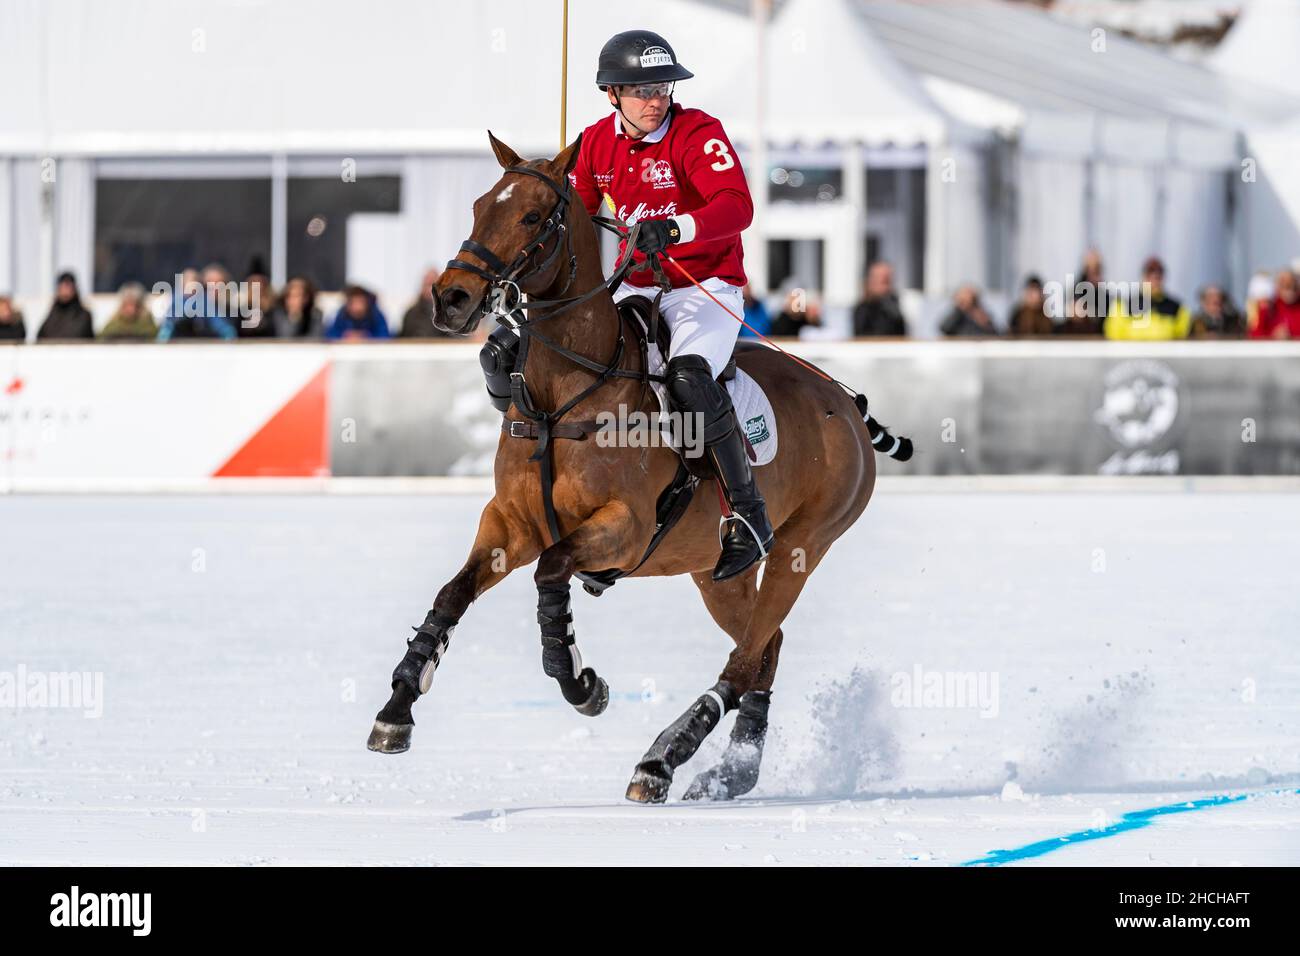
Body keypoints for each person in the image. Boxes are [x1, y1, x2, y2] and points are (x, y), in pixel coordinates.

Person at [569, 29, 769, 581]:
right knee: (592, 370)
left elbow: (736, 206)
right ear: (612, 94)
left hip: (704, 286)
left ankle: (749, 516)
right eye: (640, 89)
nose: (655, 98)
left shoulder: (697, 132)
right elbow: (575, 219)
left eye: (661, 86)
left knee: (685, 379)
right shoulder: (593, 144)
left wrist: (676, 227)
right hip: (634, 286)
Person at [1104, 256, 1190, 340]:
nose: (1155, 279)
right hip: (1132, 353)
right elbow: (1113, 335)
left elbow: (1182, 336)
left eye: (1158, 275)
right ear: (1143, 276)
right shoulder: (1123, 306)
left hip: (1165, 354)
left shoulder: (1177, 309)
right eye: (1150, 274)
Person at [157, 264, 238, 341]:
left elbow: (219, 323)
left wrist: (228, 334)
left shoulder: (205, 302)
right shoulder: (176, 301)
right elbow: (168, 326)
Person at [852, 262, 906, 336]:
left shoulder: (896, 304)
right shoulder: (862, 308)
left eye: (887, 280)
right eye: (881, 280)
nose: (885, 286)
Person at [36, 271, 94, 341]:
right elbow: (41, 337)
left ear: (74, 289)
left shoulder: (83, 316)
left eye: (68, 286)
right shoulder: (53, 314)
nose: (65, 290)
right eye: (62, 286)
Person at [1061, 247, 1106, 335]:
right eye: (1090, 269)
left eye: (1097, 269)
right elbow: (1073, 314)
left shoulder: (1104, 294)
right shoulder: (1076, 290)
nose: (1094, 274)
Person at [325, 284, 391, 340]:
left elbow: (385, 336)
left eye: (360, 302)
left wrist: (366, 336)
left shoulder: (375, 315)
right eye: (353, 302)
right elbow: (330, 335)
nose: (357, 307)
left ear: (367, 303)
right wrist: (345, 335)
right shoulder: (341, 315)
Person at [400, 268, 450, 338]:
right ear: (422, 287)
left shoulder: (450, 315)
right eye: (428, 285)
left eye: (435, 285)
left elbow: (457, 341)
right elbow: (403, 340)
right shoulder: (411, 314)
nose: (431, 290)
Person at [1250, 269, 1300, 339]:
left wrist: (1292, 336)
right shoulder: (1269, 307)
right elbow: (1255, 334)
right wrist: (1273, 335)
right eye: (1284, 283)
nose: (1289, 285)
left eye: (1293, 282)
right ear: (1277, 286)